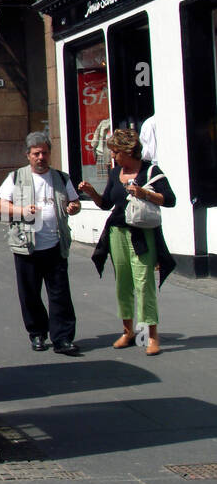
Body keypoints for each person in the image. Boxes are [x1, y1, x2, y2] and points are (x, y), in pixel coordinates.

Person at [77, 127, 176, 356]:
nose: (112, 156)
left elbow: (170, 200)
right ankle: (128, 331)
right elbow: (106, 205)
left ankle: (152, 336)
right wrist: (92, 193)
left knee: (144, 284)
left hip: (142, 234)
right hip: (117, 234)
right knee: (123, 283)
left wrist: (145, 193)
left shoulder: (150, 171)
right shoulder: (115, 174)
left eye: (115, 152)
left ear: (127, 151)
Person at [0, 132, 83, 356]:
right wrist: (22, 211)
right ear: (28, 155)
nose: (41, 157)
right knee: (30, 294)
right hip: (26, 246)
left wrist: (74, 207)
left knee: (60, 294)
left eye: (44, 152)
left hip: (55, 244)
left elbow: (74, 203)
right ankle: (37, 333)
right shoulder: (16, 177)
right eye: (36, 153)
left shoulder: (61, 178)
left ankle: (62, 338)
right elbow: (2, 207)